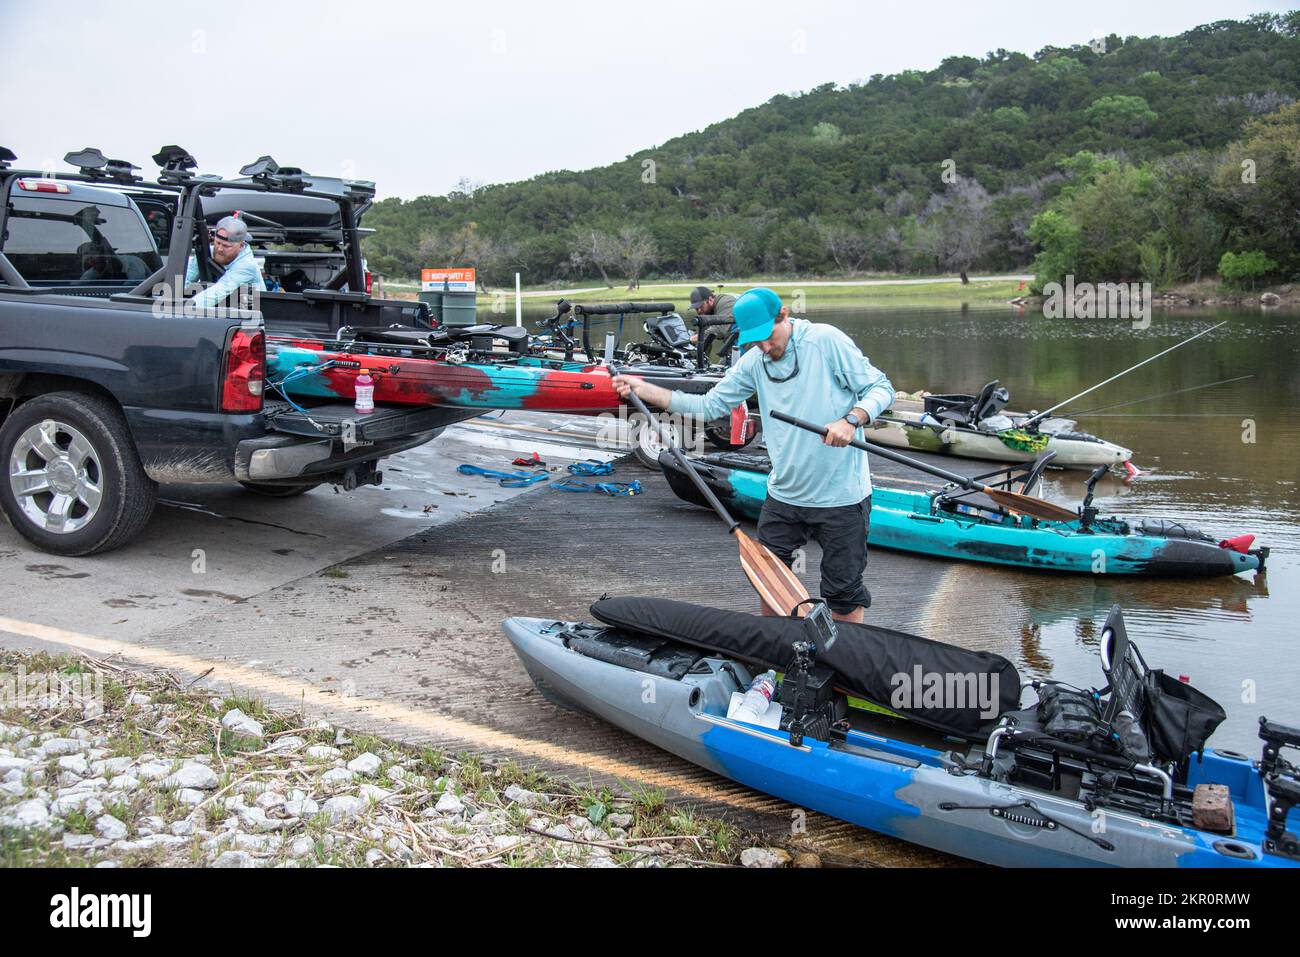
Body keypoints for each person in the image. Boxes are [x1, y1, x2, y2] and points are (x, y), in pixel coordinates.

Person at [613, 287, 894, 624]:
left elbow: (881, 388)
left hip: (841, 496)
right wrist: (645, 389)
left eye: (767, 336)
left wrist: (852, 419)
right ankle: (776, 661)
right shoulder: (754, 362)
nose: (763, 346)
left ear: (785, 316)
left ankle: (846, 664)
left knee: (843, 594)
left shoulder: (825, 341)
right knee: (769, 582)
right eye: (753, 340)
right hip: (784, 494)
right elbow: (709, 406)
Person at [185, 215, 266, 311]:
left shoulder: (247, 265)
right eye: (217, 243)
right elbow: (186, 279)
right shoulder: (209, 252)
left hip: (252, 316)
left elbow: (218, 292)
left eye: (226, 246)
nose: (219, 249)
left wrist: (185, 308)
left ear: (241, 245)